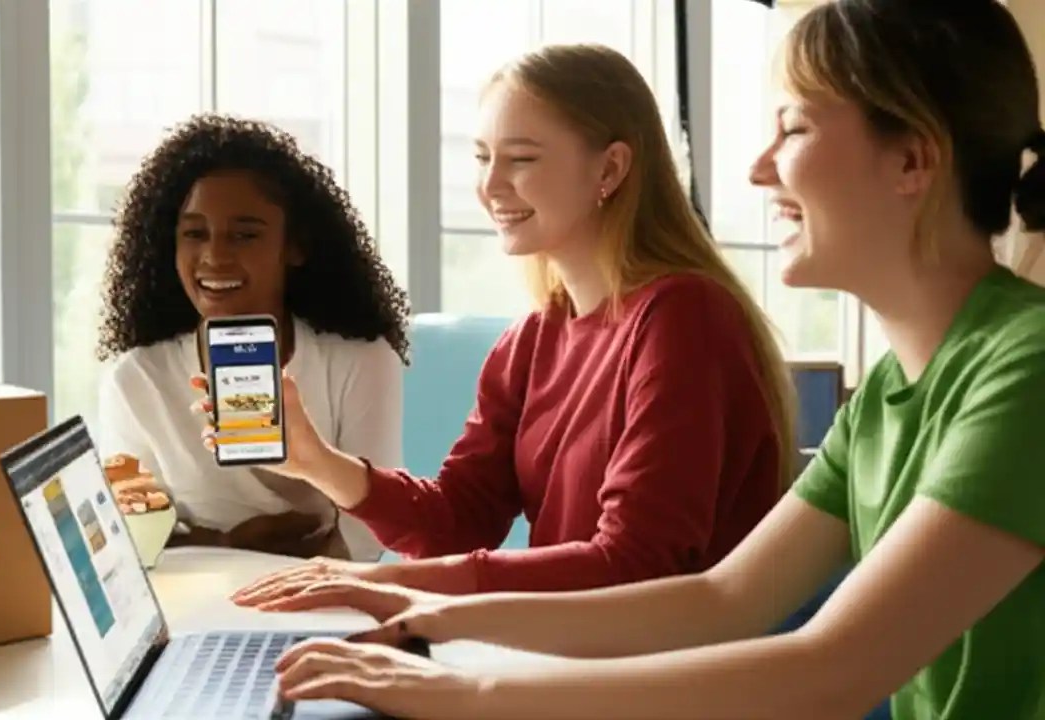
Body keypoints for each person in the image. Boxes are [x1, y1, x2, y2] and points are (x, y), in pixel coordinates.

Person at [257, 1, 1045, 718]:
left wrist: (462, 686)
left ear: (913, 161)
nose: (758, 168)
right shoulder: (887, 393)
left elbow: (830, 669)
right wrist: (418, 612)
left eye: (794, 129)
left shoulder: (1028, 368)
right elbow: (721, 598)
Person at [208, 41, 798, 602]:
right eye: (483, 158)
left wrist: (392, 587)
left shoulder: (684, 319)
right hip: (563, 658)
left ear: (611, 169)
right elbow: (459, 522)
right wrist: (318, 463)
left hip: (660, 682)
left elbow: (636, 563)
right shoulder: (533, 339)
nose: (490, 187)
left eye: (520, 159)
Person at [95, 114, 410, 562]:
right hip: (192, 603)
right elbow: (130, 542)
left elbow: (365, 540)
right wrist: (229, 549)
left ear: (295, 247)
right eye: (194, 233)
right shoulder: (136, 379)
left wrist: (282, 572)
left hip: (322, 596)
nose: (214, 255)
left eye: (245, 234)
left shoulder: (362, 361)